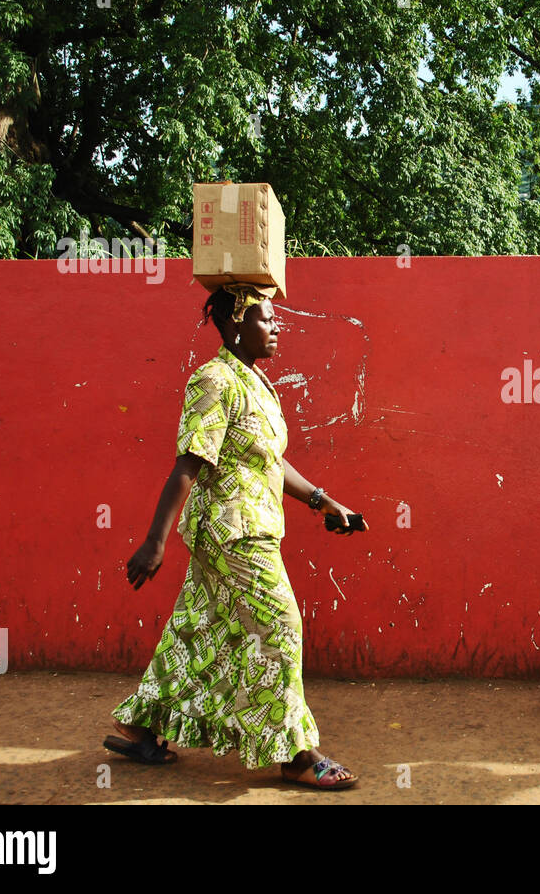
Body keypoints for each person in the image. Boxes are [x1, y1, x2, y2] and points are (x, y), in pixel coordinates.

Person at [105, 283, 369, 789]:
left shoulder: (256, 384)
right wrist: (156, 540)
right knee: (280, 625)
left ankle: (138, 724)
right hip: (232, 532)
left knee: (197, 630)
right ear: (233, 325)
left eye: (275, 320)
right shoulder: (213, 380)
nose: (276, 328)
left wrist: (323, 501)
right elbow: (189, 461)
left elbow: (269, 459)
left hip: (250, 525)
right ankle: (294, 753)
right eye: (265, 320)